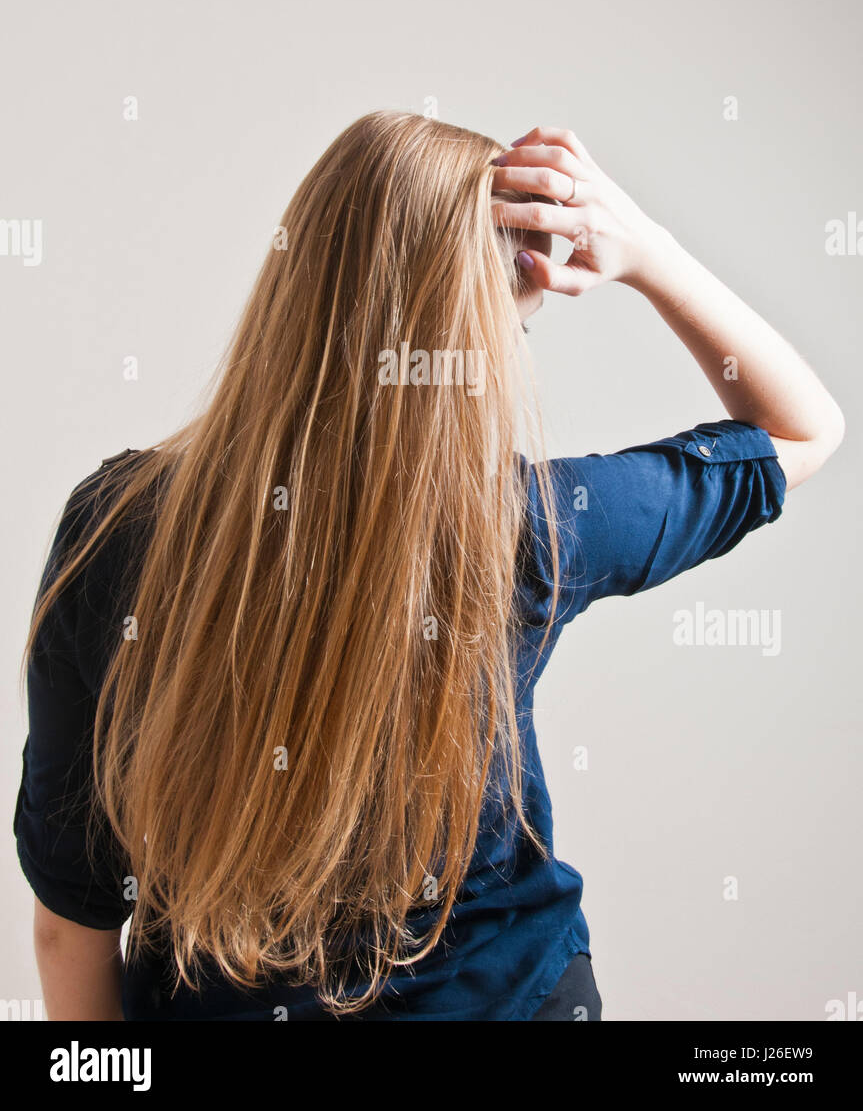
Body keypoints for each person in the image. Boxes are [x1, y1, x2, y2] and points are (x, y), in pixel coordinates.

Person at [15, 112, 844, 1021]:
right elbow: (802, 427)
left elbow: (75, 923)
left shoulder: (117, 527)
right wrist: (646, 251)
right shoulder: (524, 528)